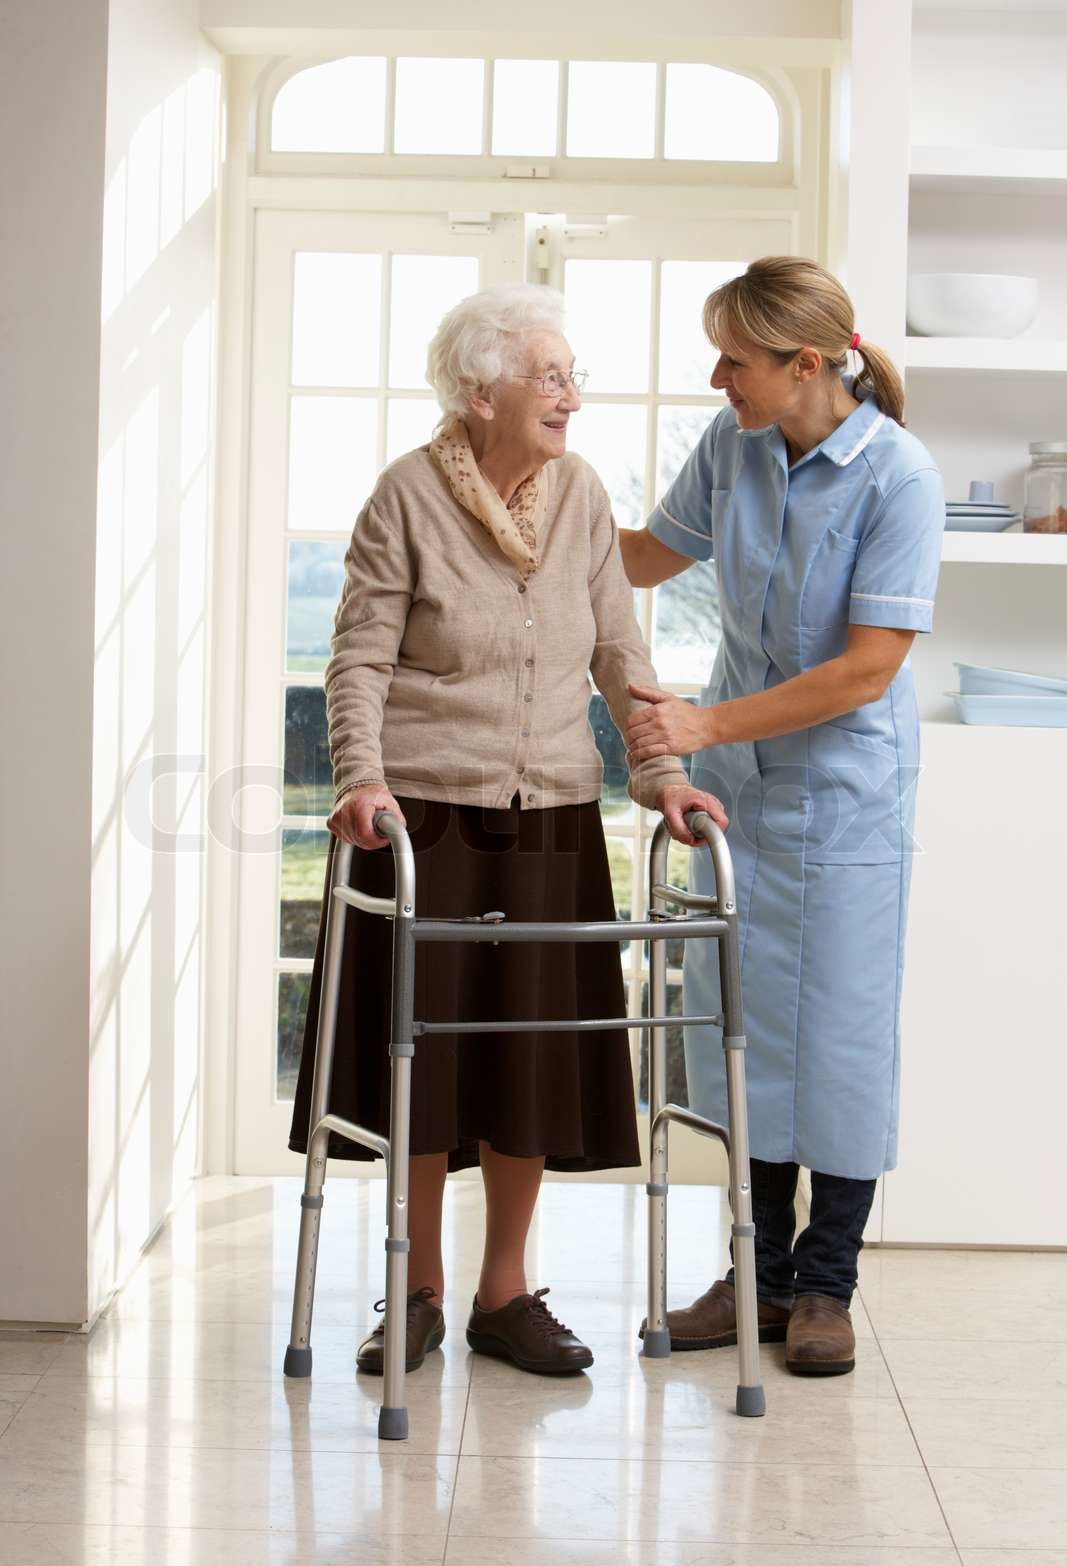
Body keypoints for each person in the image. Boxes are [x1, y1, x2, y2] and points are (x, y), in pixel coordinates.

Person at [288, 283, 725, 1378]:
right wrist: (362, 778)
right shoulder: (404, 496)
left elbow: (621, 651)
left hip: (552, 817)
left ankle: (504, 1291)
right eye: (549, 375)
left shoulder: (578, 494)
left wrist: (661, 770)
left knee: (528, 1060)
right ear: (478, 391)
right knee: (421, 1067)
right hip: (425, 815)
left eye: (571, 375)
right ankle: (419, 1287)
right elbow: (358, 658)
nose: (569, 394)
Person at [622, 257, 944, 1376]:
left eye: (735, 359)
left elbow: (865, 669)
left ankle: (825, 1289)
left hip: (846, 797)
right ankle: (754, 1278)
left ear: (805, 364)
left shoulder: (897, 476)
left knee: (840, 1042)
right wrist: (528, 504)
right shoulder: (734, 447)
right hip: (742, 803)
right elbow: (643, 558)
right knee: (740, 1037)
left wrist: (705, 726)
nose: (718, 378)